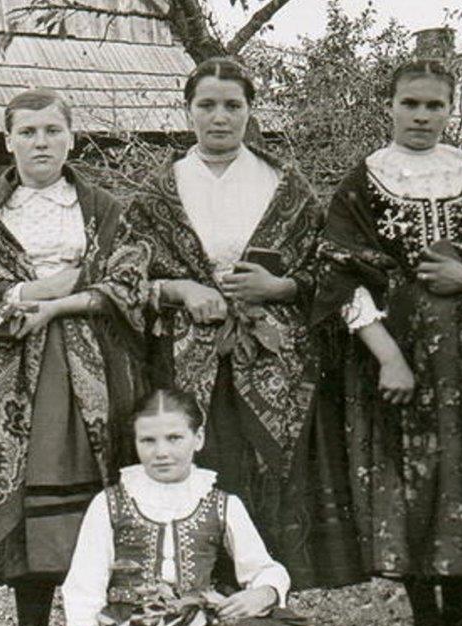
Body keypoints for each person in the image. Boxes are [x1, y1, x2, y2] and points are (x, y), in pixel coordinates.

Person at [312, 60, 462, 626]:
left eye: (435, 105)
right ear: (389, 105)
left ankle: (459, 623)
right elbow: (339, 276)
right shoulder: (362, 184)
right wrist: (388, 357)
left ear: (451, 109)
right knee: (407, 484)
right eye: (410, 103)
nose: (421, 116)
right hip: (398, 357)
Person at [117, 56, 363, 590]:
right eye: (206, 105)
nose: (220, 117)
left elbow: (330, 265)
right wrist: (181, 289)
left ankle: (272, 612)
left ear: (251, 111)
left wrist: (280, 288)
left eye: (233, 105)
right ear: (188, 112)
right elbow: (124, 280)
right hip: (188, 365)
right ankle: (205, 607)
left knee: (274, 482)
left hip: (277, 366)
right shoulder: (158, 192)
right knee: (207, 476)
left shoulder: (286, 186)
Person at [0, 88, 147, 626]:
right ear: (6, 141)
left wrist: (57, 298)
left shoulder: (102, 208)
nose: (41, 143)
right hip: (15, 376)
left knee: (101, 503)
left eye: (52, 131)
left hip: (97, 368)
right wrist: (45, 288)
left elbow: (126, 282)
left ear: (71, 138)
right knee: (29, 507)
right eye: (28, 132)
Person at [61, 388, 327, 626]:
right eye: (148, 441)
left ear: (198, 438)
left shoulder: (221, 502)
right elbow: (84, 585)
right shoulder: (109, 503)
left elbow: (264, 568)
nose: (162, 453)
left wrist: (262, 593)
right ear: (136, 442)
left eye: (175, 438)